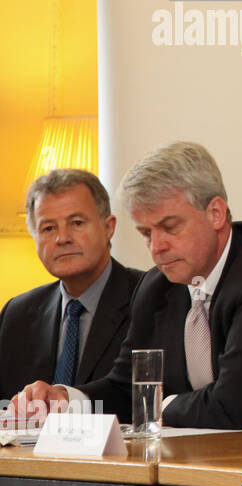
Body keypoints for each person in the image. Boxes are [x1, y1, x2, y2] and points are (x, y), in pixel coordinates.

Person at [6, 142, 242, 429]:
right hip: (214, 470)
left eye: (169, 227)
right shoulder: (158, 287)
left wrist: (156, 406)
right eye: (146, 233)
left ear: (215, 213)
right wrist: (66, 400)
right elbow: (125, 386)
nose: (156, 247)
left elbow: (235, 408)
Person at [0, 170, 143, 397]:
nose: (62, 238)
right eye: (48, 228)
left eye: (76, 223)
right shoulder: (17, 314)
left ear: (108, 227)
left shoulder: (148, 297)